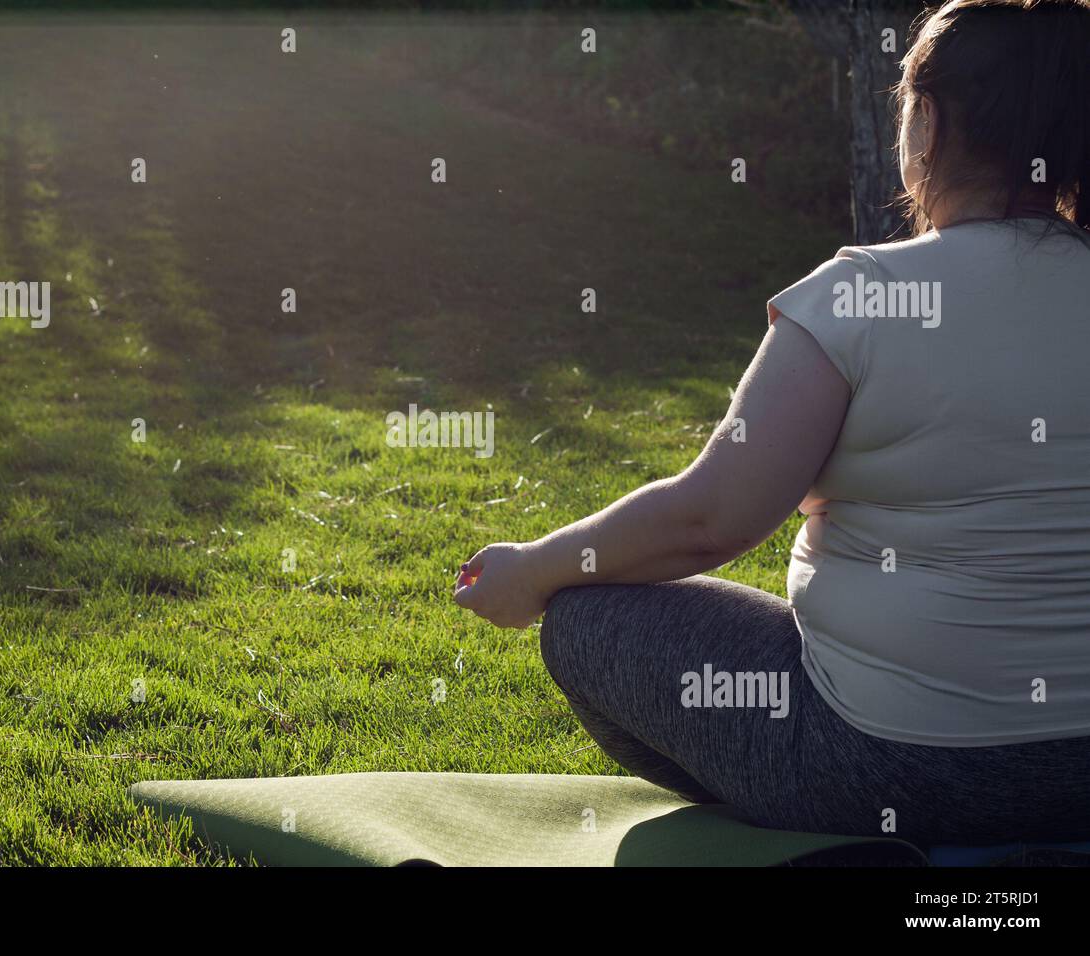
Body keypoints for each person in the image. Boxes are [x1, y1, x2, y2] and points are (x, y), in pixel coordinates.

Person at [453, 0, 1090, 845]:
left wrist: (532, 571)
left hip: (876, 765)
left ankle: (830, 846)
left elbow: (706, 518)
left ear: (926, 124)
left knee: (587, 619)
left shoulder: (861, 294)